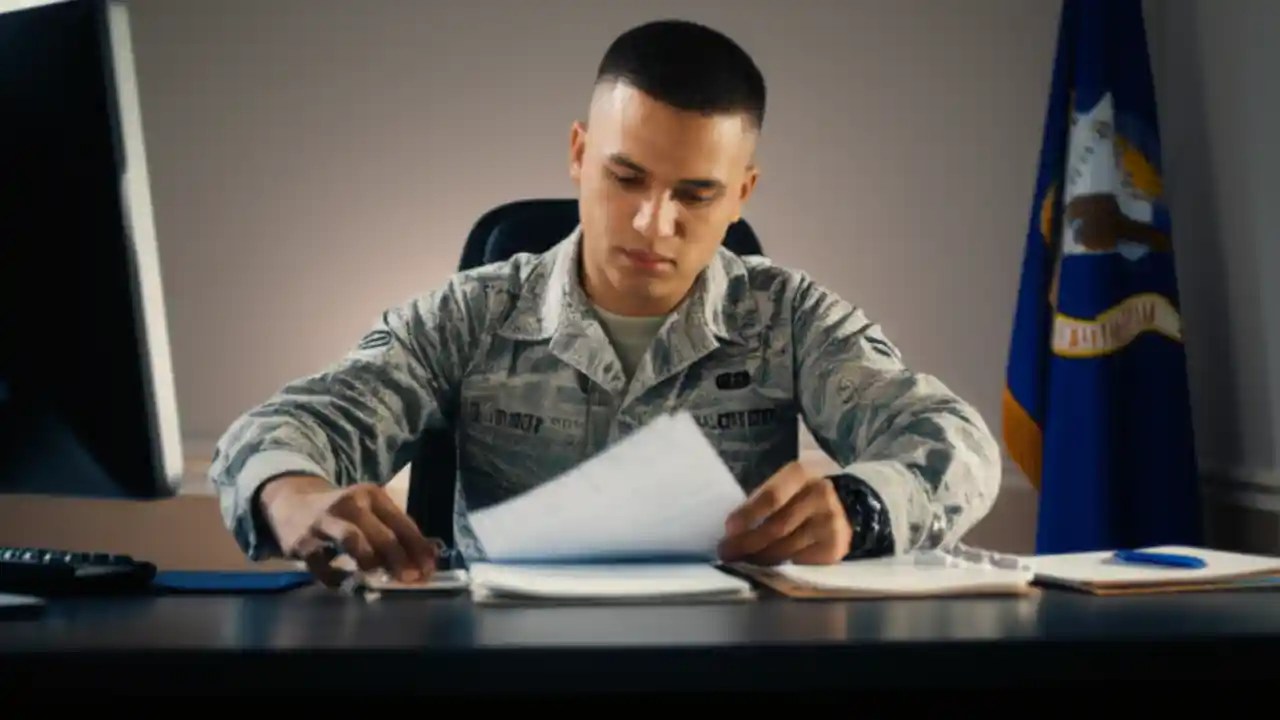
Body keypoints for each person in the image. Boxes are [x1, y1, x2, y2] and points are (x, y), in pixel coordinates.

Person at [208, 18, 1001, 586]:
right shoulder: (467, 318)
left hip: (725, 670)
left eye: (696, 194)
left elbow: (957, 442)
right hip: (501, 669)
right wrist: (292, 494)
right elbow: (292, 425)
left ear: (742, 195)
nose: (655, 223)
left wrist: (861, 509)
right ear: (580, 153)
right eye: (627, 178)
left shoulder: (790, 319)